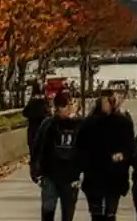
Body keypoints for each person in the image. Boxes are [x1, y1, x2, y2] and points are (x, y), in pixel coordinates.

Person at [78, 90, 136, 221]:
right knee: (96, 213)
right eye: (104, 100)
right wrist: (84, 164)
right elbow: (80, 147)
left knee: (110, 213)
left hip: (115, 175)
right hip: (94, 174)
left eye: (110, 101)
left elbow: (130, 147)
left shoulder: (123, 123)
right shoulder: (89, 124)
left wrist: (123, 156)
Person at [30, 91, 83, 221]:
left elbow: (85, 149)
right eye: (64, 106)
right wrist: (36, 170)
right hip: (50, 175)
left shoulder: (79, 124)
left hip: (70, 178)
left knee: (67, 213)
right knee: (48, 210)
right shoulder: (48, 124)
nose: (68, 108)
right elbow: (37, 147)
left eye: (70, 104)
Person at [24, 82, 52, 152]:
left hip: (33, 129)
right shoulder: (43, 102)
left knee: (33, 147)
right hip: (41, 129)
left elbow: (25, 113)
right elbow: (48, 114)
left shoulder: (31, 102)